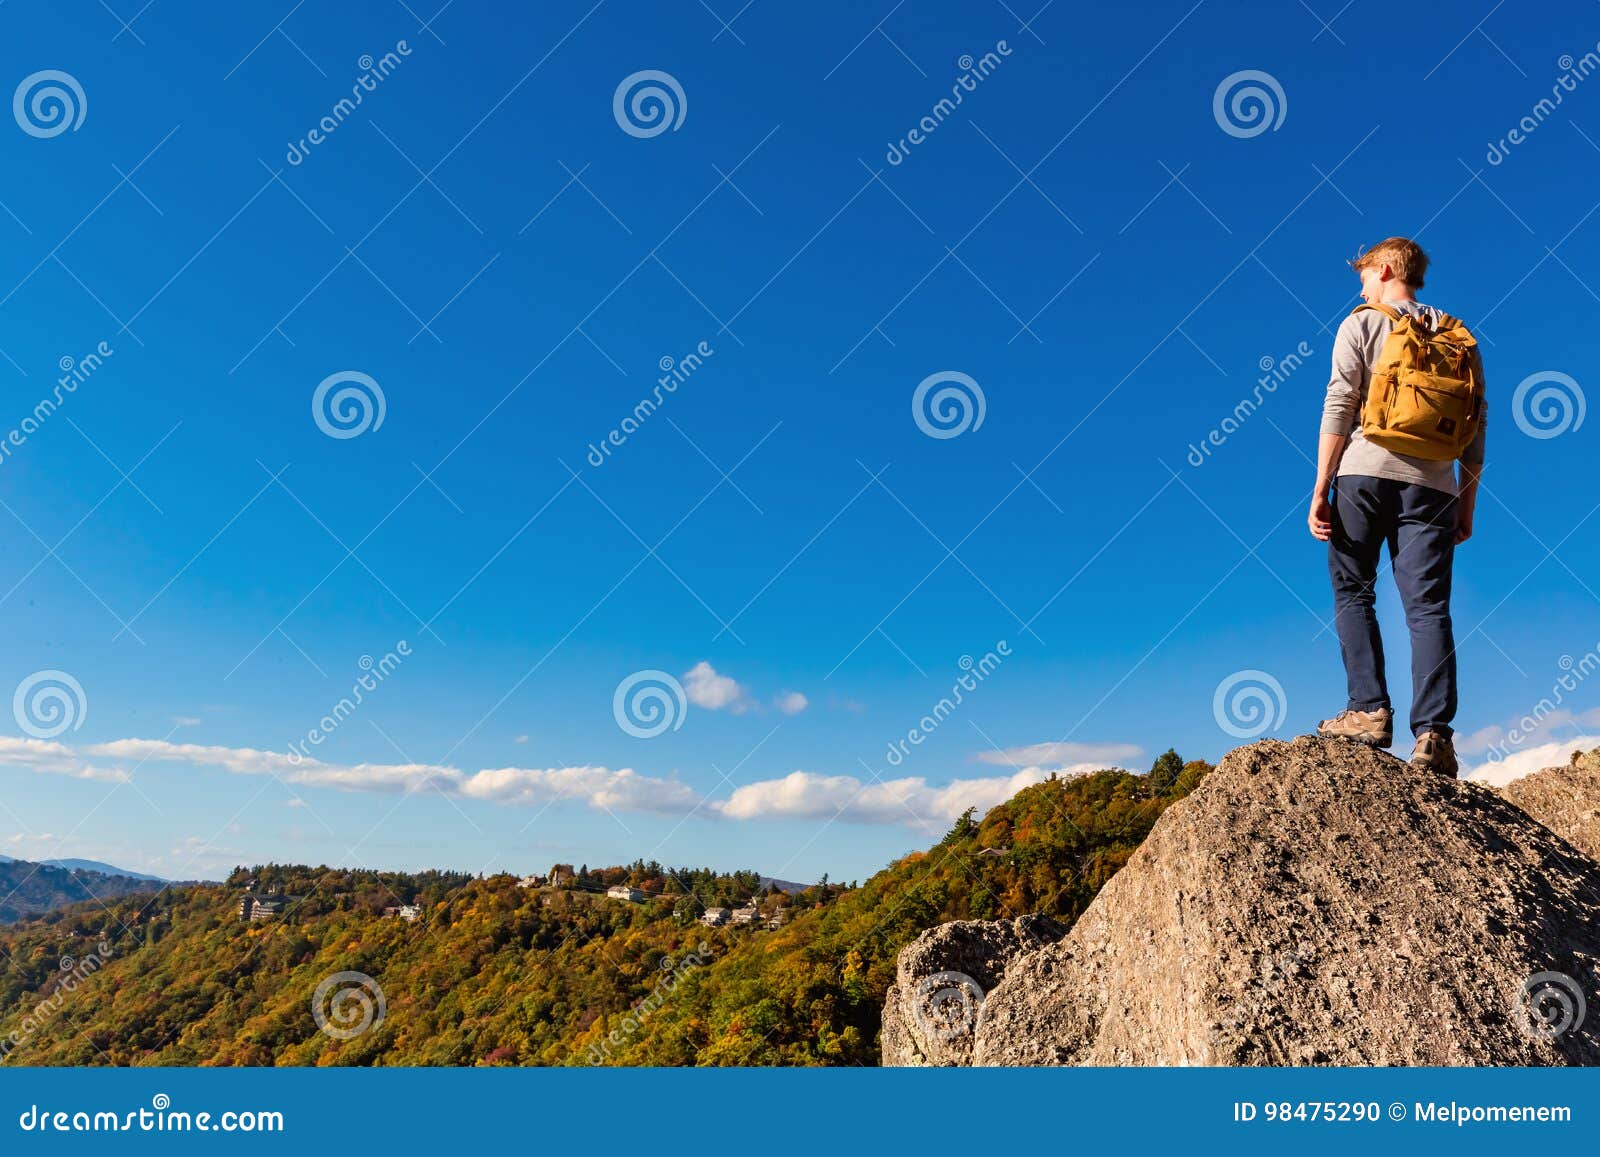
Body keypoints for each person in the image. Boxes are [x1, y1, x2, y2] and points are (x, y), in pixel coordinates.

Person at [1307, 237, 1486, 778]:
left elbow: (1340, 401)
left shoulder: (1360, 323)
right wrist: (1465, 502)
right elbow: (1477, 430)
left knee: (1353, 589)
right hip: (1433, 486)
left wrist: (1321, 485)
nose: (1360, 285)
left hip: (1364, 472)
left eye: (1363, 275)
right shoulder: (1459, 338)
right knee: (1428, 607)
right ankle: (1433, 735)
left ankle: (1367, 711)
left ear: (1385, 268)